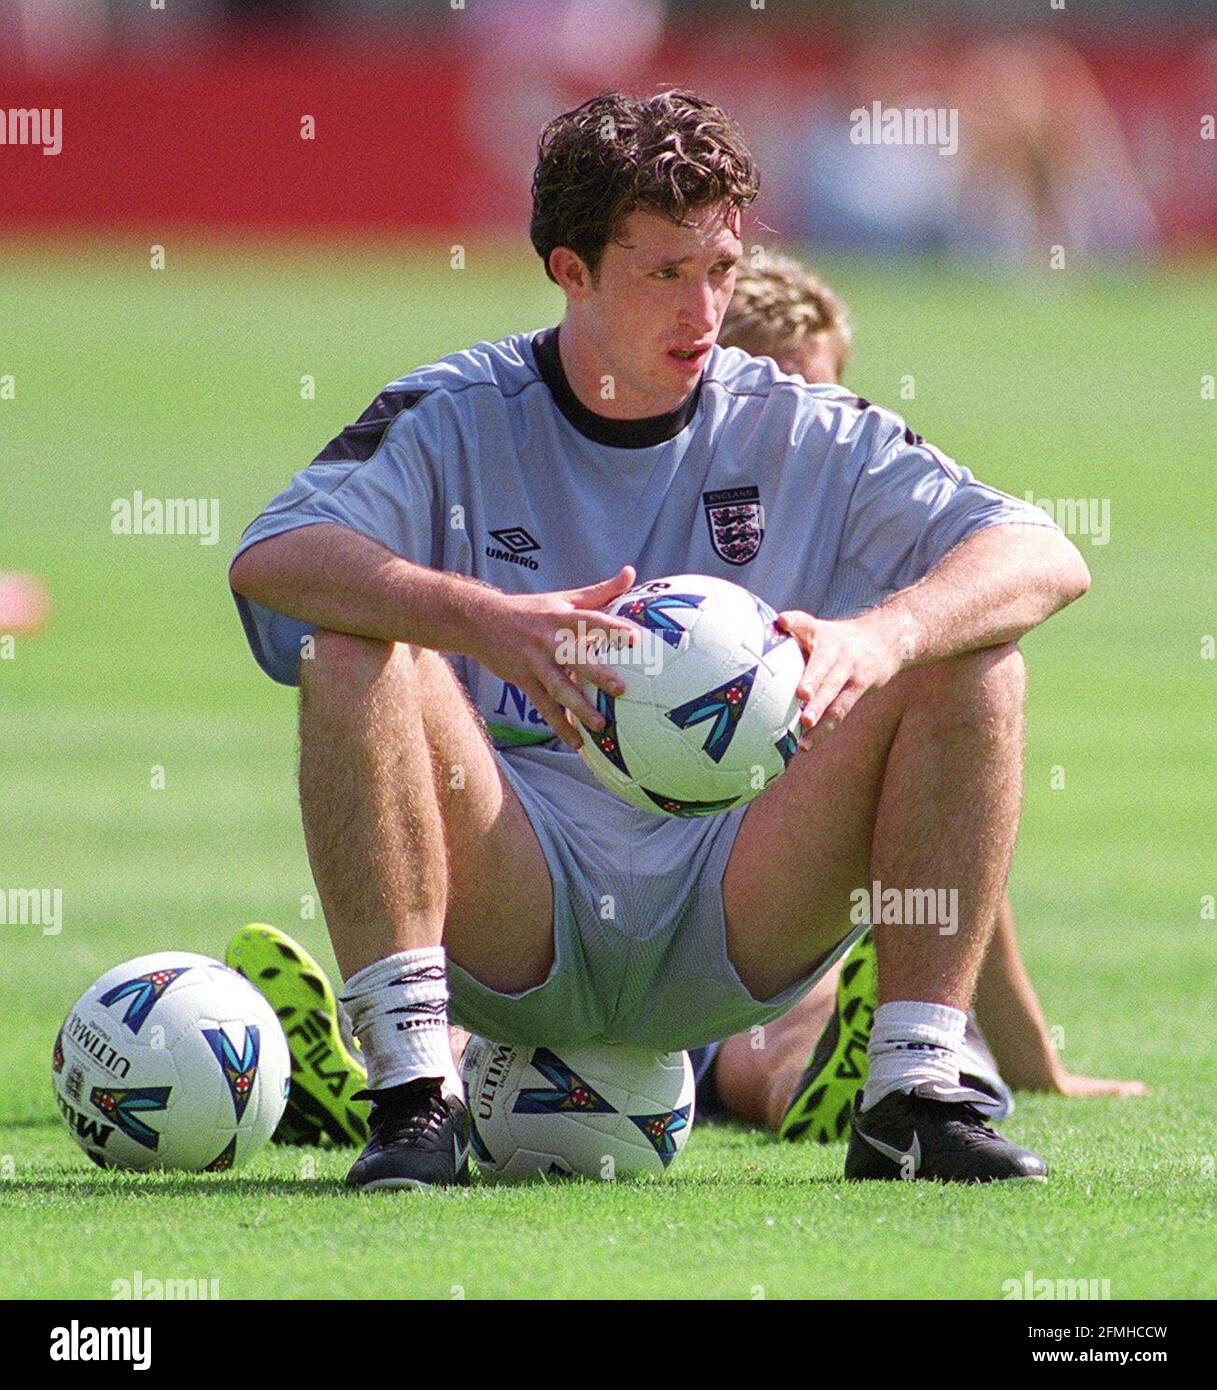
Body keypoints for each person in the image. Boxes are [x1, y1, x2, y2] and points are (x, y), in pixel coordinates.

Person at [229, 90, 1091, 1190]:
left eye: (722, 269)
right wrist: (482, 620)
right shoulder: (454, 411)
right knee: (350, 638)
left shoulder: (796, 423)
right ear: (570, 270)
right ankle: (409, 1096)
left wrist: (882, 634)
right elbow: (274, 554)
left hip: (736, 910)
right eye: (664, 273)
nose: (705, 309)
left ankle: (913, 1094)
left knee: (971, 653)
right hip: (515, 905)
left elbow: (1041, 554)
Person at [689, 255, 1145, 1140]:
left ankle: (837, 1080)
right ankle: (388, 1070)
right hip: (602, 906)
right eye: (771, 388)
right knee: (510, 1035)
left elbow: (946, 832)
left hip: (761, 911)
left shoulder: (856, 587)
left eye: (823, 392)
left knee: (797, 1023)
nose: (802, 419)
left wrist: (1034, 1064)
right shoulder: (632, 539)